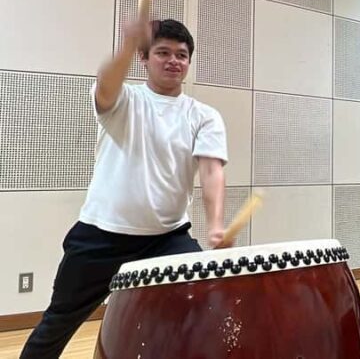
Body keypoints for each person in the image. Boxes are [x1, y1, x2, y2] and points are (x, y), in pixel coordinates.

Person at [20, 19, 229, 359]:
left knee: (202, 307)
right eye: (163, 53)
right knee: (58, 321)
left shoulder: (203, 116)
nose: (173, 60)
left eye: (182, 55)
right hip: (101, 235)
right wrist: (127, 45)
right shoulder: (125, 100)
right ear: (144, 59)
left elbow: (211, 170)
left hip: (167, 238)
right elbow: (105, 84)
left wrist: (217, 223)